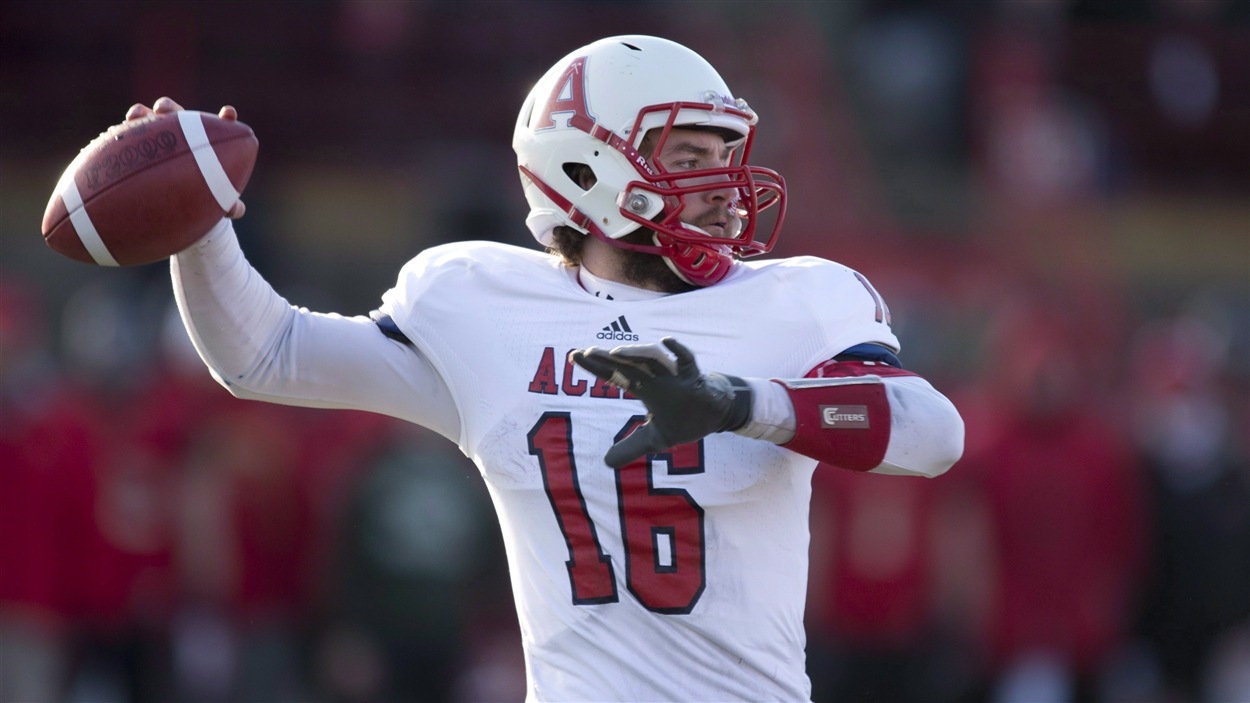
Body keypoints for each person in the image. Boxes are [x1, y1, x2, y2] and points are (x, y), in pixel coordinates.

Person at [129, 35, 964, 702]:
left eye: (726, 149)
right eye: (689, 154)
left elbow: (933, 434)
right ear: (586, 171)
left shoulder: (795, 300)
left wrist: (738, 403)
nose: (724, 183)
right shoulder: (483, 303)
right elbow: (265, 355)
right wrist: (197, 224)